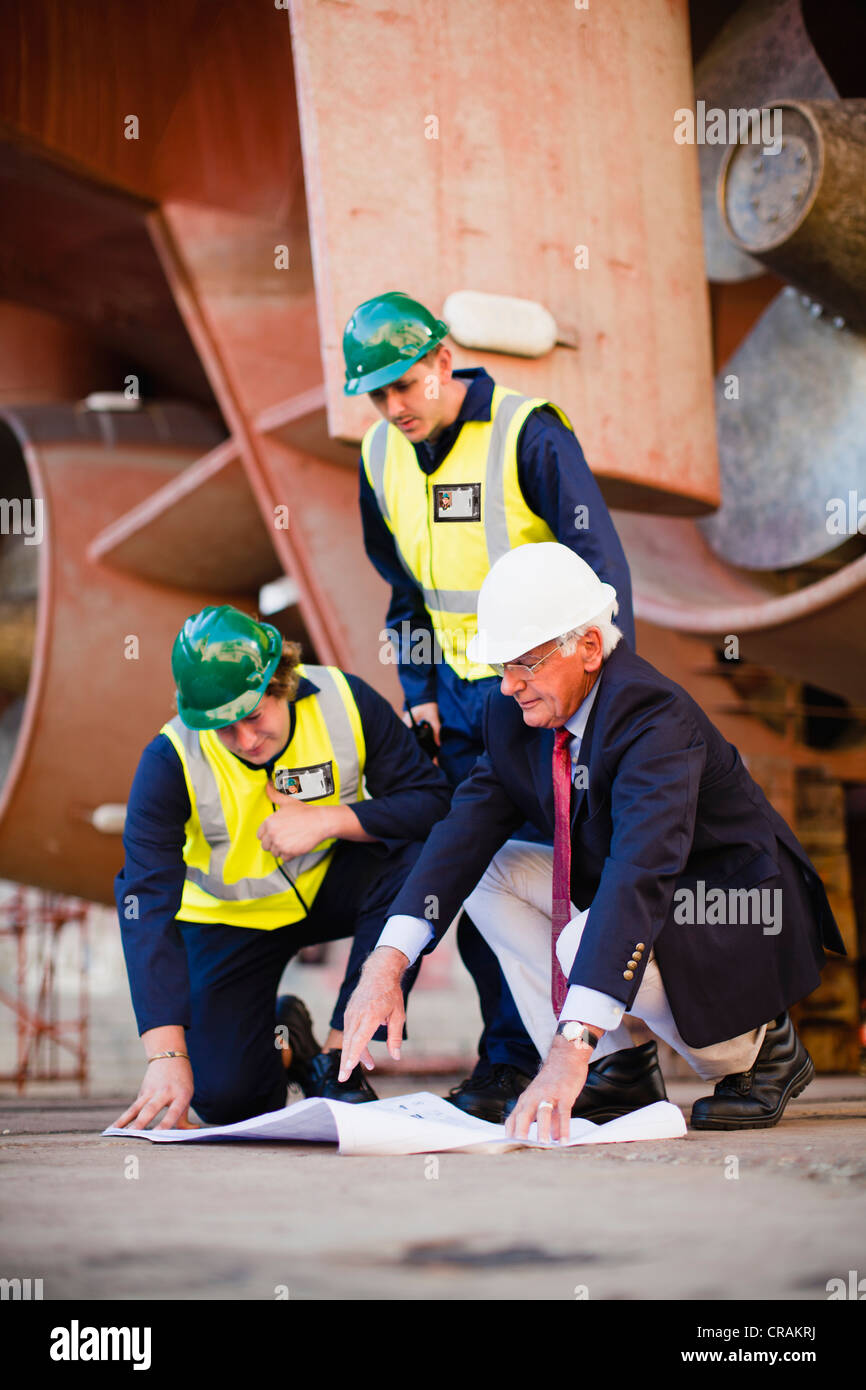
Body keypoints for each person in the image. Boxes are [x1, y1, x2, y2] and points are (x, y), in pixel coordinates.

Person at [339, 544, 845, 1138]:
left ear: (586, 648)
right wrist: (386, 962)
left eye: (524, 663)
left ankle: (760, 1050)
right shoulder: (517, 715)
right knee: (490, 873)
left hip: (736, 906)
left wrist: (565, 1052)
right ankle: (617, 1071)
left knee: (588, 937)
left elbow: (639, 876)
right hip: (650, 895)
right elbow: (461, 832)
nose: (507, 687)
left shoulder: (656, 719)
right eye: (502, 666)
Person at [345, 290, 636, 1120]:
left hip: (539, 691)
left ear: (443, 358)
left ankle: (597, 1057)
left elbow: (604, 574)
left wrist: (600, 706)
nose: (394, 407)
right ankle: (509, 1059)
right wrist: (420, 694)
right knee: (476, 875)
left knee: (570, 874)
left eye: (405, 384)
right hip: (463, 705)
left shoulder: (528, 432)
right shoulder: (379, 458)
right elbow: (406, 594)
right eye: (378, 394)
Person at [112, 604, 450, 1131]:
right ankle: (289, 1039)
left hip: (329, 887)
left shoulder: (345, 699)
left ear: (283, 681)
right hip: (229, 922)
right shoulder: (168, 759)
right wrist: (166, 1059)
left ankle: (341, 1065)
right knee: (229, 1099)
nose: (245, 740)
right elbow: (142, 904)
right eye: (224, 728)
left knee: (420, 861)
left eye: (254, 715)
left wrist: (330, 820)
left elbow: (431, 802)